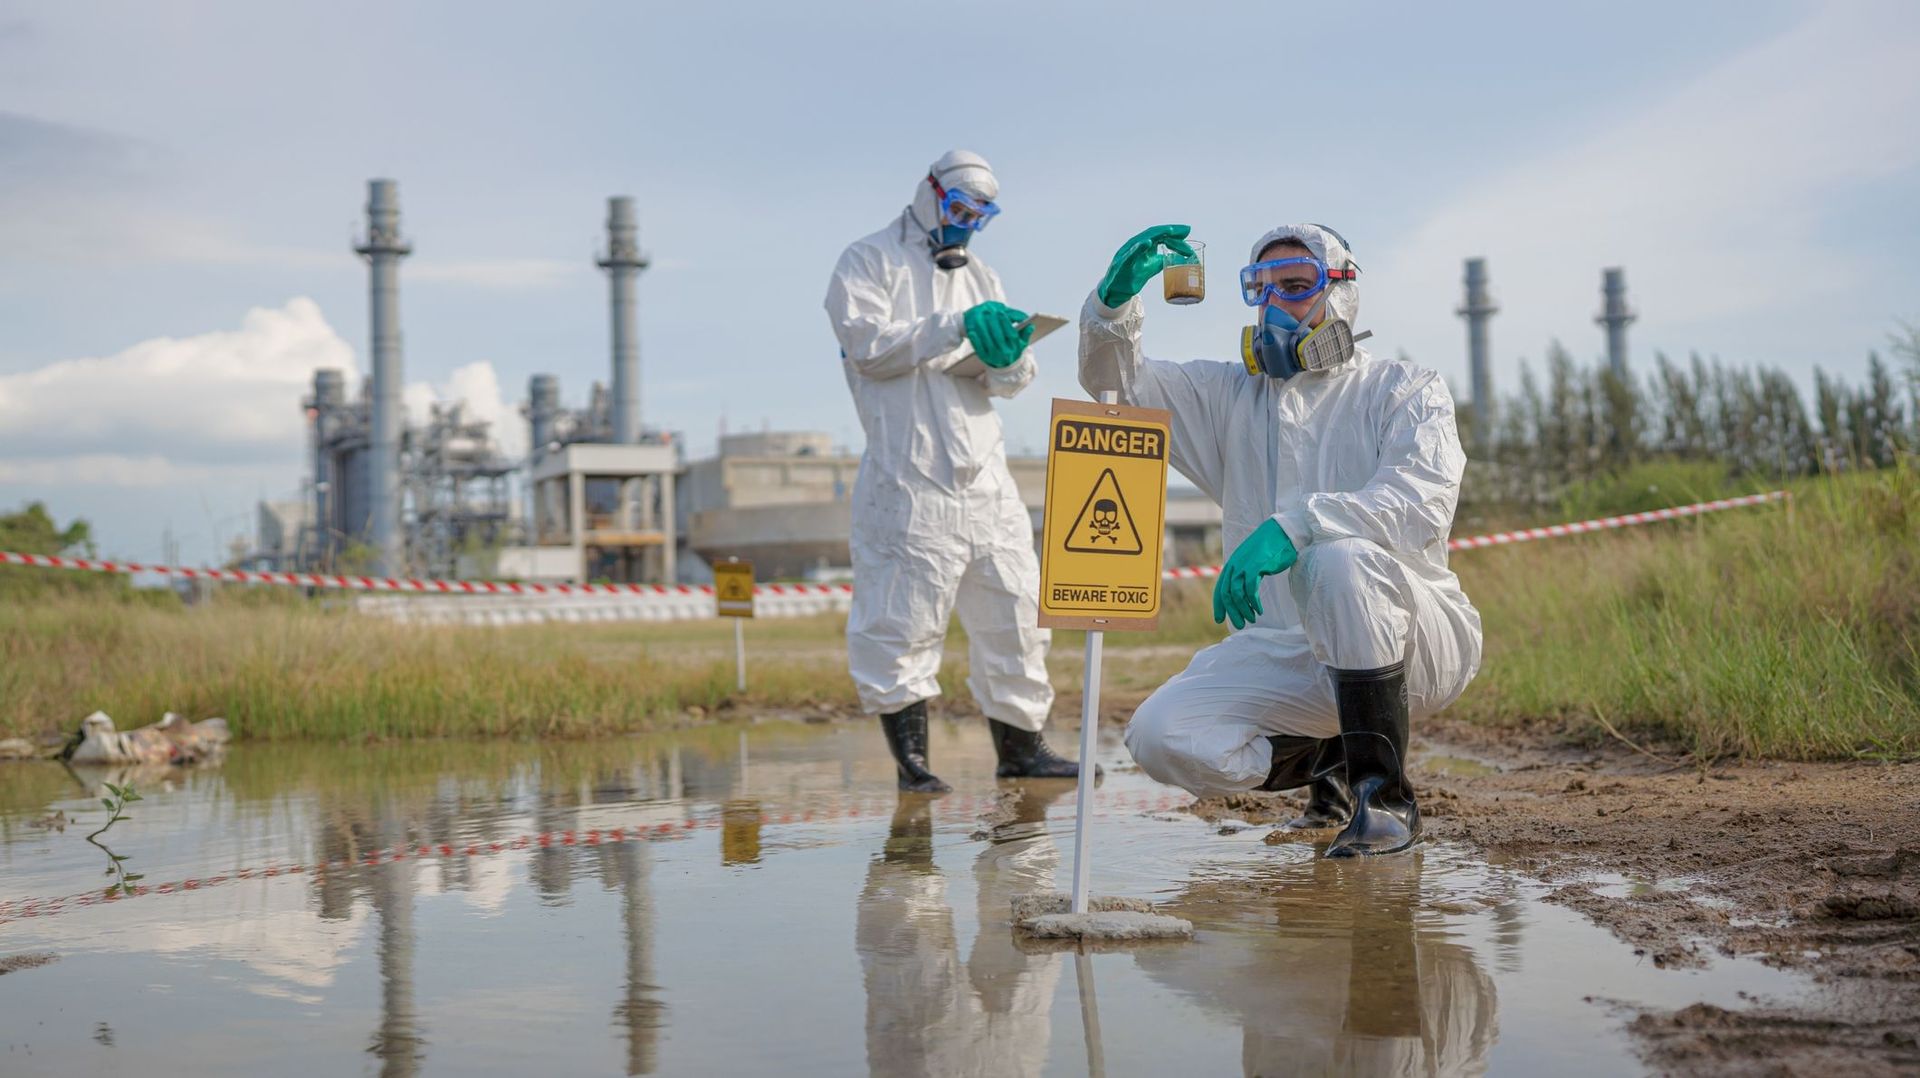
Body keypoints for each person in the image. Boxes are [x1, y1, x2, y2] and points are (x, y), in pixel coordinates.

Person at [1077, 223, 1481, 856]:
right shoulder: (1229, 397)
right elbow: (1117, 389)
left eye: (1296, 286)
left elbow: (1419, 498)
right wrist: (1112, 304)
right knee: (1160, 735)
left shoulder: (1404, 389)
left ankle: (1386, 803)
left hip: (1414, 640)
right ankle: (1331, 757)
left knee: (1341, 561)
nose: (1274, 306)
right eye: (1259, 289)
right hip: (1288, 652)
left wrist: (1297, 527)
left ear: (1340, 292)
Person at [825, 150, 1089, 793]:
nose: (966, 224)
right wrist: (953, 326)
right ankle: (912, 763)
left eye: (980, 215)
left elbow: (1008, 382)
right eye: (959, 209)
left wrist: (1009, 358)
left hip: (987, 481)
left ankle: (1023, 750)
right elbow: (868, 349)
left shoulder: (984, 277)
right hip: (908, 483)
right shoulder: (868, 262)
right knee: (901, 624)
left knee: (1017, 616)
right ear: (929, 193)